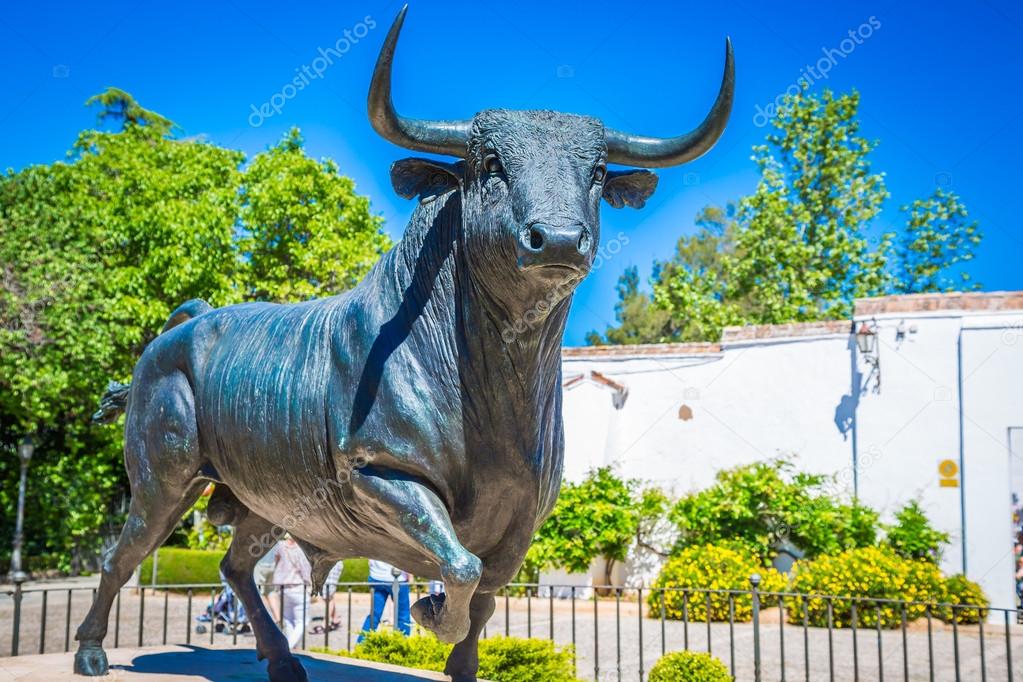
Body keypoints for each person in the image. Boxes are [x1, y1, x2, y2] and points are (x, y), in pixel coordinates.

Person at [272, 535, 312, 649]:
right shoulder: (300, 549)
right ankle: (288, 647)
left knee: (288, 620)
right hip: (297, 586)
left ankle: (291, 647)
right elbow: (305, 569)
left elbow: (276, 562)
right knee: (303, 621)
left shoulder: (280, 546)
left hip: (282, 586)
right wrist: (311, 584)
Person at [358, 560, 411, 641]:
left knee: (374, 615)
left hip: (377, 575)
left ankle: (361, 646)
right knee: (403, 615)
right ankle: (402, 645)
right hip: (398, 577)